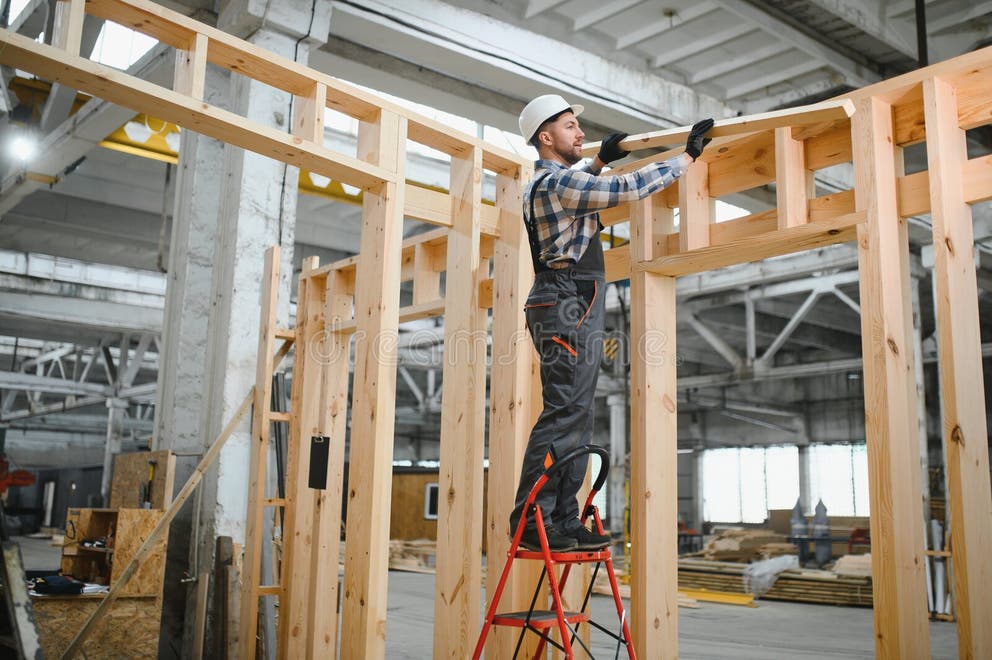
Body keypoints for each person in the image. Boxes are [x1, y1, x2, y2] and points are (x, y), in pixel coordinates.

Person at [510, 94, 714, 552]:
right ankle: (532, 522)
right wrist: (685, 157)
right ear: (546, 137)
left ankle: (559, 521)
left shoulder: (554, 183)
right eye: (569, 126)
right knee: (565, 413)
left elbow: (579, 198)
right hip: (568, 300)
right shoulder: (556, 184)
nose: (580, 133)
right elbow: (626, 191)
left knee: (575, 416)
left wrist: (599, 159)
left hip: (568, 299)